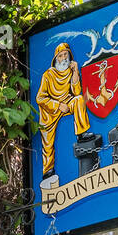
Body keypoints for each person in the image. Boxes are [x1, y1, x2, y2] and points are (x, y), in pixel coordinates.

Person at [36, 42, 92, 182]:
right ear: (56, 59)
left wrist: (75, 72)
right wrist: (57, 105)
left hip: (67, 103)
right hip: (50, 112)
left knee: (79, 100)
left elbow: (77, 92)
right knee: (47, 142)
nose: (63, 58)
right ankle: (48, 170)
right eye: (60, 56)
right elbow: (39, 98)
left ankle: (81, 133)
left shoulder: (70, 70)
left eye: (65, 54)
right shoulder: (48, 75)